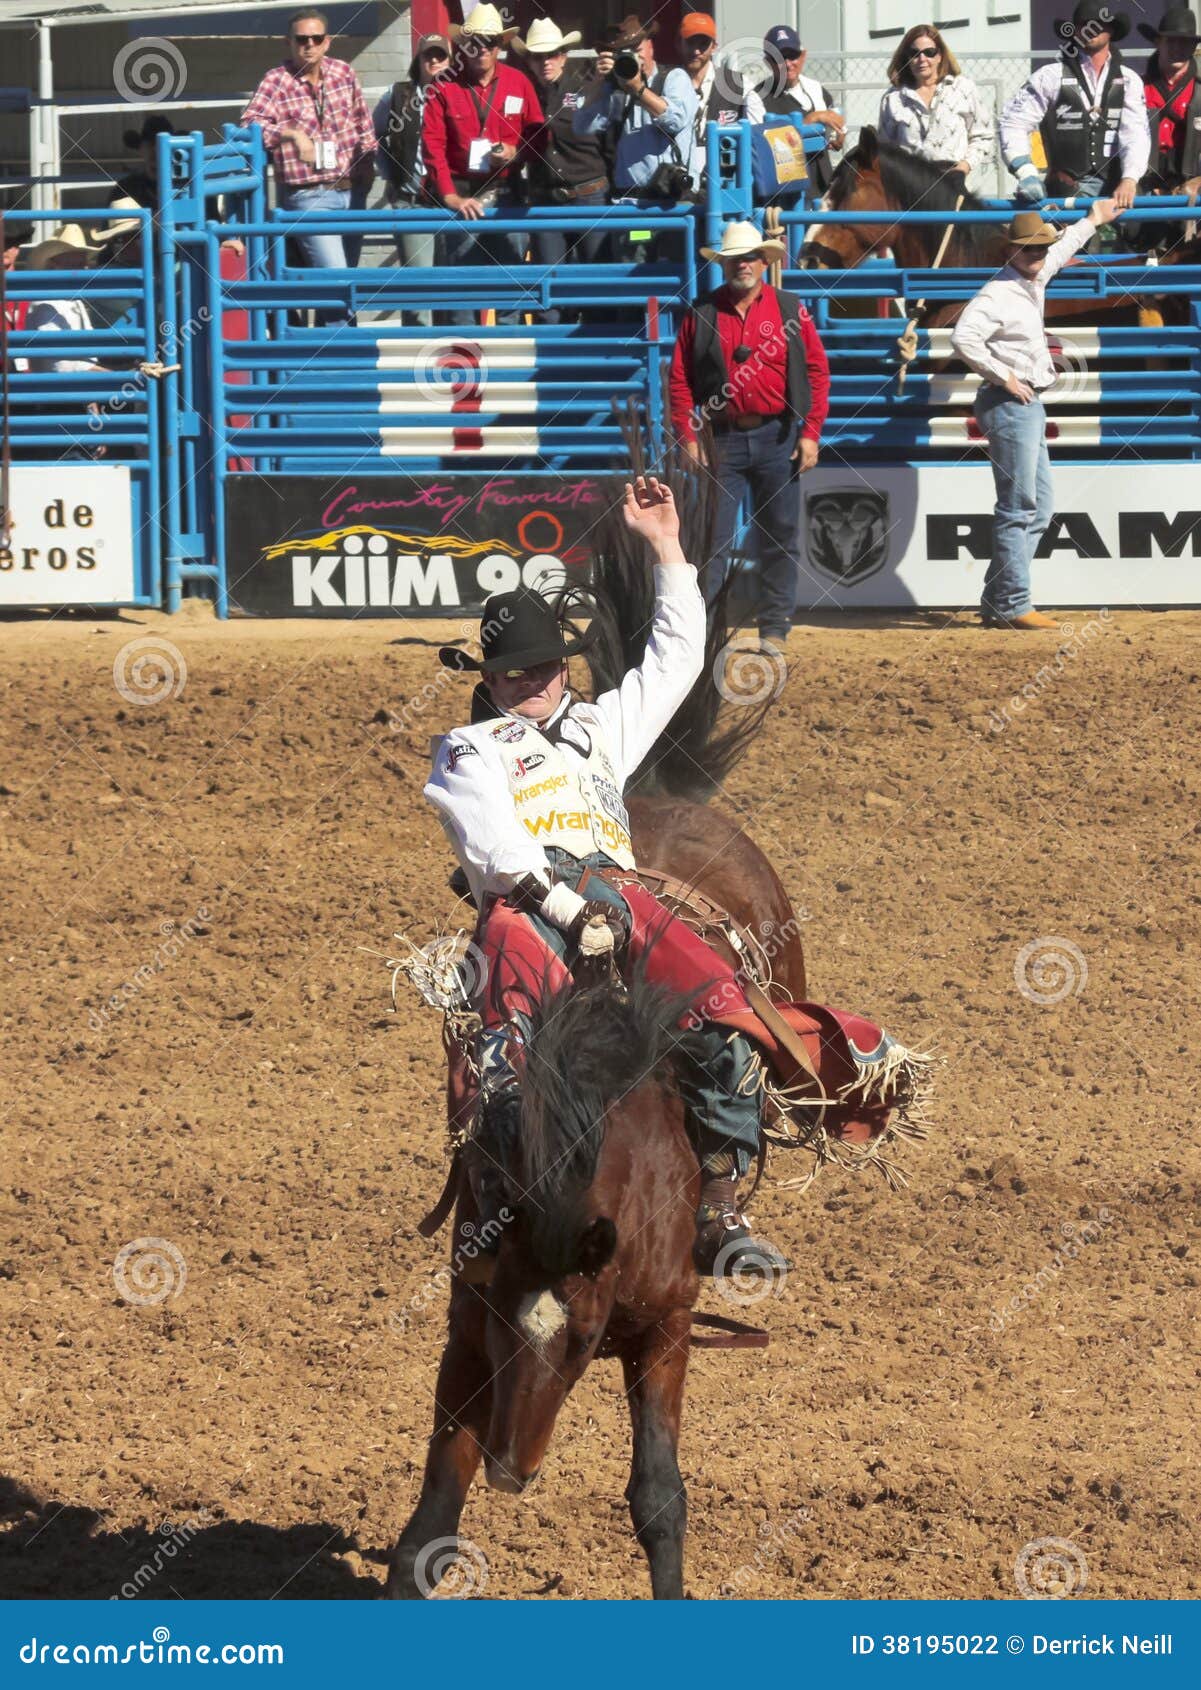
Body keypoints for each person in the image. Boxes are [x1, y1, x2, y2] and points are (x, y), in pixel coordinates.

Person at [425, 476, 785, 1278]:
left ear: (562, 666)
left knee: (721, 1008)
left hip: (620, 899)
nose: (533, 682)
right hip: (526, 906)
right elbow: (491, 843)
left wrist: (664, 547)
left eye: (544, 667)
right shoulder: (468, 747)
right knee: (504, 1048)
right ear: (489, 680)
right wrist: (560, 903)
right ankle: (499, 1207)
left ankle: (720, 1208)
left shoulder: (599, 726)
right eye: (515, 673)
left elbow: (677, 655)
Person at [951, 199, 1123, 629]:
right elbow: (963, 337)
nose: (1039, 255)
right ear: (1011, 251)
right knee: (1021, 506)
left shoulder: (1031, 277)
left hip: (1021, 404)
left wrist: (1092, 220)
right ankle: (1011, 602)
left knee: (1036, 506)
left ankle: (999, 598)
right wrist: (1003, 375)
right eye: (1030, 249)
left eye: (1041, 248)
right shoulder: (997, 294)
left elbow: (1061, 252)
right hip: (1010, 402)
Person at [668, 220, 829, 651]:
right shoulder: (701, 314)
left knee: (779, 537)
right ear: (725, 265)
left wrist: (810, 433)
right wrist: (688, 437)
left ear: (763, 262)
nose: (744, 265)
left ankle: (774, 626)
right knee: (713, 540)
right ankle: (709, 629)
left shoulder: (791, 309)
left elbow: (817, 371)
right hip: (721, 440)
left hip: (778, 435)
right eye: (736, 258)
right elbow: (680, 381)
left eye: (750, 257)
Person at [420, 3, 544, 327]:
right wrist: (449, 196)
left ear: (500, 45)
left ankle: (510, 370)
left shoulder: (520, 82)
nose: (482, 49)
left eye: (490, 41)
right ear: (463, 46)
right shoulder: (444, 85)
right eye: (475, 42)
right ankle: (466, 370)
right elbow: (432, 146)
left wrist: (517, 151)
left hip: (508, 196)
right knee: (464, 291)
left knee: (512, 289)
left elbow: (540, 136)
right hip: (463, 198)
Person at [240, 11, 376, 278]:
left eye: (316, 38)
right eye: (302, 39)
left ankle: (337, 321)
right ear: (288, 42)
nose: (309, 45)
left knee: (350, 282)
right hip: (308, 196)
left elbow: (363, 121)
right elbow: (249, 126)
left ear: (327, 42)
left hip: (353, 190)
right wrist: (292, 134)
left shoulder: (343, 72)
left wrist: (369, 164)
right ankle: (345, 322)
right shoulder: (276, 80)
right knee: (337, 279)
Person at [1000, 3, 1149, 208]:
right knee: (1067, 234)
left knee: (1143, 227)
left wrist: (1130, 179)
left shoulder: (1129, 79)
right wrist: (1027, 172)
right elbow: (1013, 122)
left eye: (1099, 24)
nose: (1092, 29)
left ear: (1112, 30)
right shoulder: (1049, 76)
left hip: (1117, 183)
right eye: (1084, 25)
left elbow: (1136, 133)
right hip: (1066, 185)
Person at [514, 16, 610, 319]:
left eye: (551, 54)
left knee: (597, 287)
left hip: (590, 195)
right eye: (537, 56)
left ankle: (597, 361)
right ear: (528, 60)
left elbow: (610, 138)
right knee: (548, 292)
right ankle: (552, 361)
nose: (545, 62)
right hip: (545, 201)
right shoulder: (521, 93)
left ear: (563, 56)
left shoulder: (588, 87)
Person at [572, 13, 698, 203]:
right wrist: (598, 83)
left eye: (637, 50)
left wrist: (638, 89)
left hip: (670, 200)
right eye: (625, 53)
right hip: (627, 201)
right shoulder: (613, 87)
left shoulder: (673, 77)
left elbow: (676, 120)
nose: (635, 58)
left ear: (650, 46)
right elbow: (582, 127)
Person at [374, 31, 452, 325]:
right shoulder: (397, 94)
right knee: (418, 291)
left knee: (452, 289)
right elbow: (375, 137)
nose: (434, 60)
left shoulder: (461, 93)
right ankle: (418, 359)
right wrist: (390, 175)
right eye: (428, 54)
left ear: (449, 60)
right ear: (418, 59)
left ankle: (451, 356)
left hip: (451, 203)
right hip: (413, 202)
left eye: (440, 55)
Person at [877, 23, 994, 194]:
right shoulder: (892, 99)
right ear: (906, 58)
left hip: (953, 186)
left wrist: (964, 167)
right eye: (914, 53)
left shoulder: (963, 89)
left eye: (929, 52)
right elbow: (885, 150)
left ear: (940, 55)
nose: (922, 59)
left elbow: (983, 135)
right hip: (909, 190)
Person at [676, 12, 765, 196]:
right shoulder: (667, 81)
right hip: (679, 185)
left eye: (703, 44)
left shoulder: (738, 83)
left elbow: (758, 131)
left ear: (714, 46)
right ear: (679, 43)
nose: (696, 51)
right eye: (690, 42)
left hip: (724, 184)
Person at [756, 24, 844, 196]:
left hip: (823, 188)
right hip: (785, 195)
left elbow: (836, 136)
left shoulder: (816, 89)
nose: (788, 64)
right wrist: (810, 119)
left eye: (792, 56)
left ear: (803, 55)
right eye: (779, 58)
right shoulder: (756, 97)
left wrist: (838, 134)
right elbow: (761, 150)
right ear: (768, 62)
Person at [1139, 7, 1201, 192]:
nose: (1177, 48)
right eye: (1171, 41)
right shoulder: (1136, 87)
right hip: (1145, 184)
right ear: (1158, 43)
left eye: (1185, 43)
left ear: (1193, 47)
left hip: (1193, 187)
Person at [110, 114, 176, 211]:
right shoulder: (126, 188)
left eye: (161, 145)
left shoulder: (187, 187)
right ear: (140, 148)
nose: (156, 150)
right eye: (150, 144)